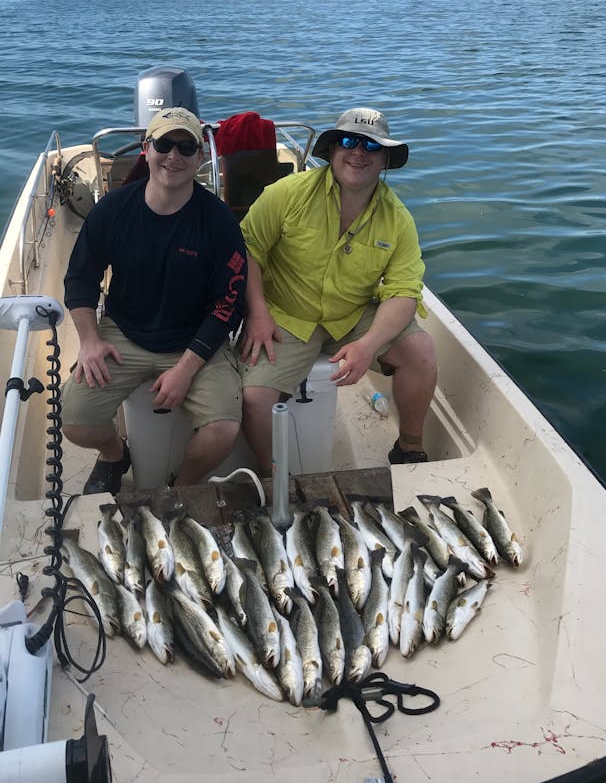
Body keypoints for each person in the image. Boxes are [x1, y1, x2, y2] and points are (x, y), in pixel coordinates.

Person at [238, 106, 437, 474]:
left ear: (385, 159)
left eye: (372, 146)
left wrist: (369, 344)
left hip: (352, 316)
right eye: (349, 141)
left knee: (421, 351)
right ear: (332, 150)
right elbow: (247, 249)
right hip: (286, 315)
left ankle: (409, 448)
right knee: (254, 398)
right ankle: (273, 476)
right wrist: (258, 313)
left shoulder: (398, 219)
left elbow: (404, 292)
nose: (358, 152)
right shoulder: (286, 194)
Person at [62, 107, 247, 493]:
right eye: (164, 144)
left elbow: (227, 305)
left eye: (186, 147)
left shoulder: (218, 221)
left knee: (223, 430)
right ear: (147, 150)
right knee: (75, 420)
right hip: (124, 332)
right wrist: (91, 341)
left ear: (200, 158)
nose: (173, 156)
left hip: (195, 338)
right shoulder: (113, 210)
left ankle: (181, 487)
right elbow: (80, 279)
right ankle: (115, 455)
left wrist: (186, 368)